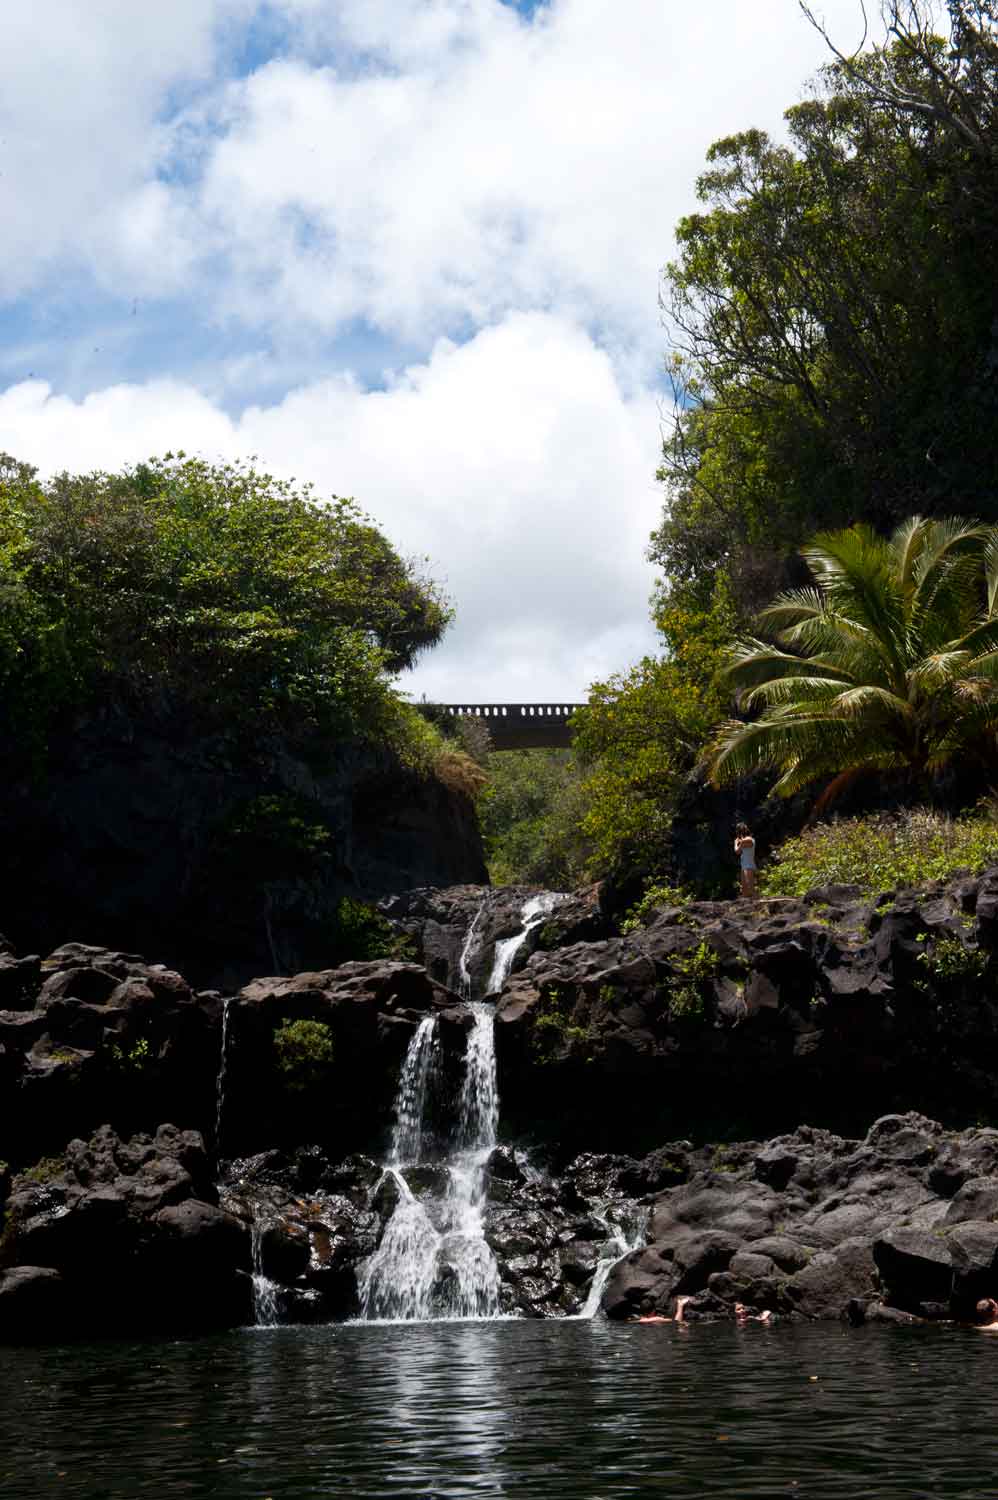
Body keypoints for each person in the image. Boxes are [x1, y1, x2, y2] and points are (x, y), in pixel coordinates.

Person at [734, 822, 757, 898]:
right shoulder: (748, 840)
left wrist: (736, 843)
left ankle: (758, 902)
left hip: (748, 866)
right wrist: (740, 841)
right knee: (744, 891)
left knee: (751, 889)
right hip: (744, 865)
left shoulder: (746, 840)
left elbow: (737, 851)